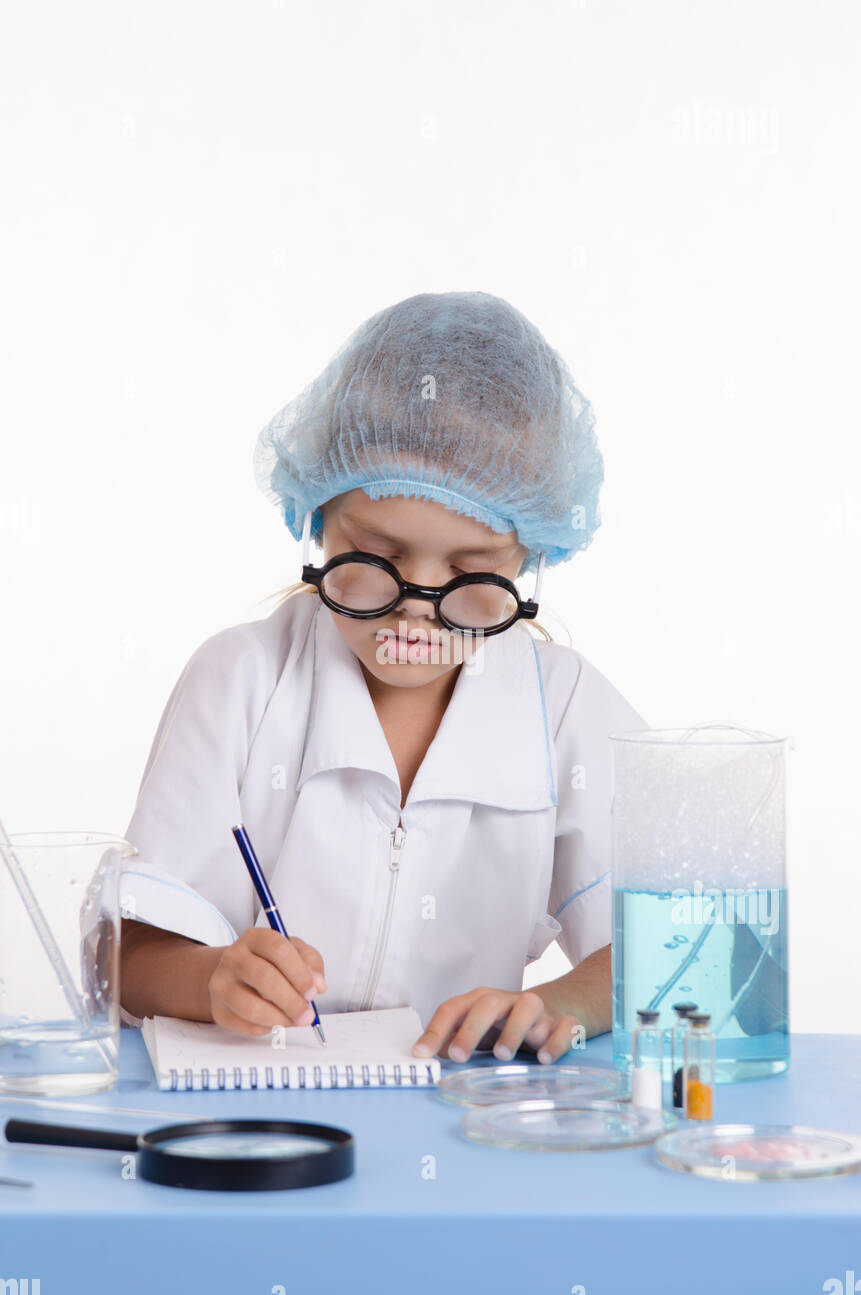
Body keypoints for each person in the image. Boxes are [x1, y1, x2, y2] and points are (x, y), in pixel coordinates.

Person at [119, 290, 649, 1066]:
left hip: (459, 1117)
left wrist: (549, 1007)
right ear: (315, 519)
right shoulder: (239, 682)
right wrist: (208, 979)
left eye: (470, 572)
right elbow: (128, 956)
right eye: (376, 557)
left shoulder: (563, 707)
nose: (416, 613)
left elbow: (665, 951)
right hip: (263, 1109)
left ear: (532, 557)